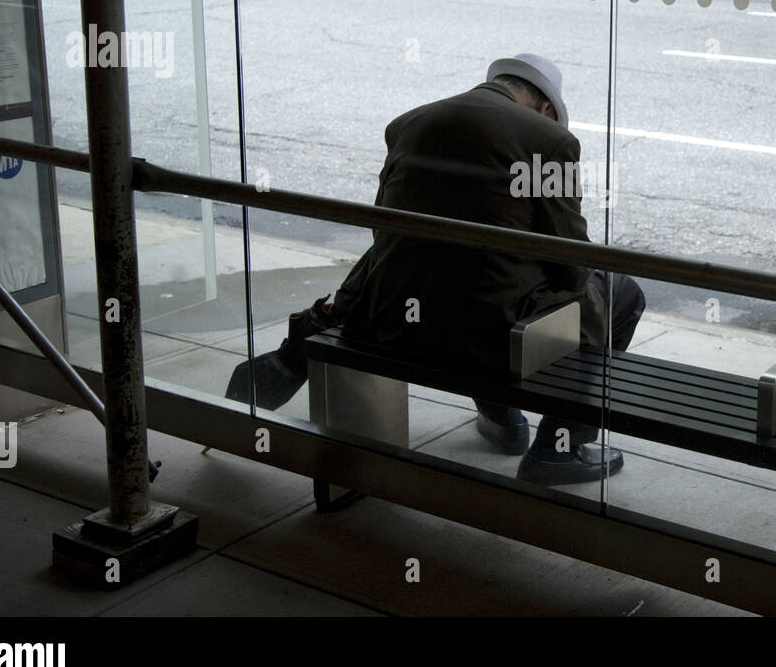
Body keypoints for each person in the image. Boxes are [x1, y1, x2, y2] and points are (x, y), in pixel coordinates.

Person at [230, 55, 644, 486]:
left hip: (395, 323)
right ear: (545, 108)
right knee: (620, 290)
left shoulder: (407, 124)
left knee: (470, 279)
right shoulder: (551, 141)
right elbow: (571, 264)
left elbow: (383, 227)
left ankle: (502, 420)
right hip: (491, 341)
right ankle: (559, 448)